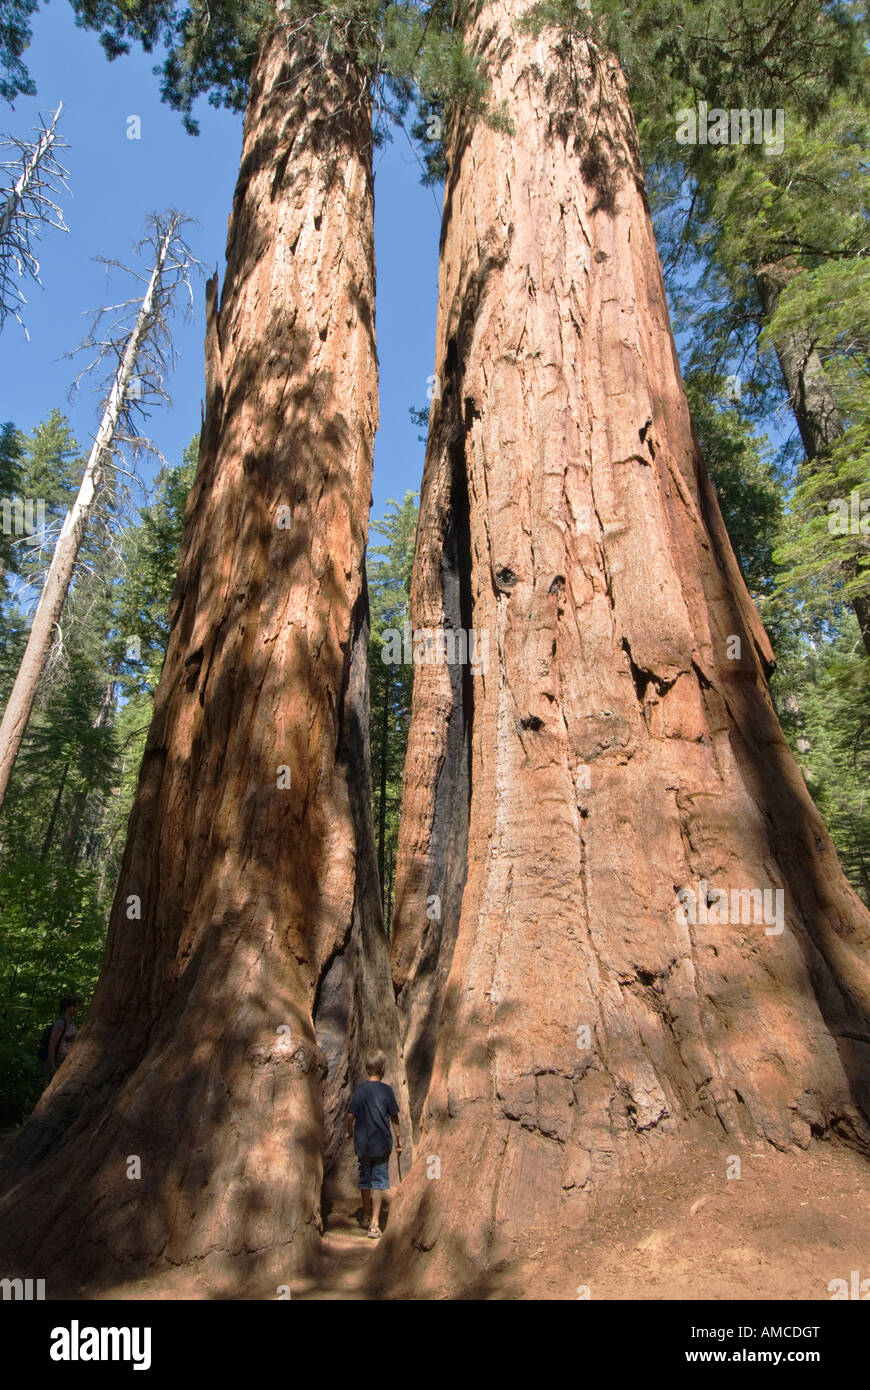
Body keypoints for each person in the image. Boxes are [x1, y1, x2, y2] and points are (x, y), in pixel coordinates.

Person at [346, 1051, 401, 1239]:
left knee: (365, 1180)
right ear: (382, 1069)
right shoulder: (386, 1091)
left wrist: (348, 1130)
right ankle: (375, 1224)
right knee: (378, 1182)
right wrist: (399, 1138)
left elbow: (351, 1114)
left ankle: (366, 1215)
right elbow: (394, 1117)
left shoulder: (360, 1090)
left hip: (363, 1143)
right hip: (381, 1143)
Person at [44, 995, 80, 1083]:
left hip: (67, 1060)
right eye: (74, 1006)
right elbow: (52, 1045)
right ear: (67, 1008)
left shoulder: (72, 1024)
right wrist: (52, 1066)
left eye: (77, 1006)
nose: (77, 1009)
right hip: (58, 1060)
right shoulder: (60, 1024)